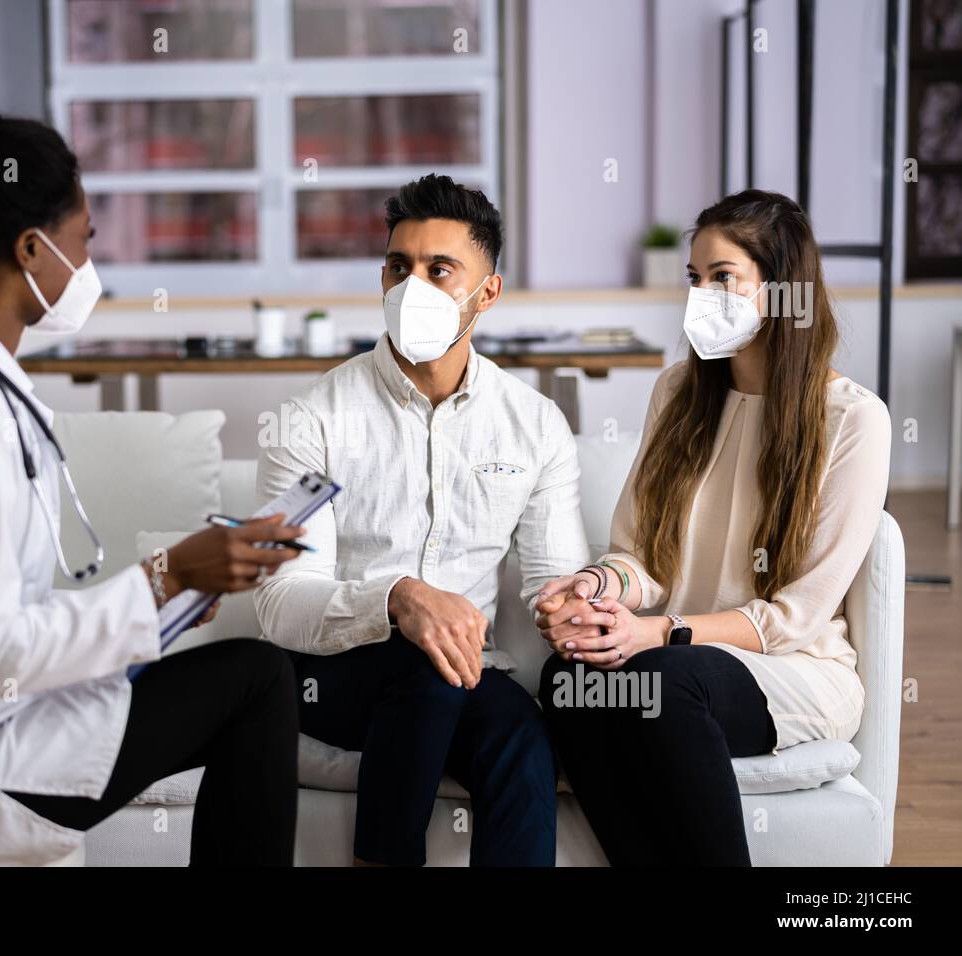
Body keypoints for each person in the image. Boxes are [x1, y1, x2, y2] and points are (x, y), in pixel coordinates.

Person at [0, 108, 304, 866]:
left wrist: (174, 588)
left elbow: (6, 626)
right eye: (84, 238)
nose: (88, 260)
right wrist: (167, 574)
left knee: (253, 678)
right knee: (258, 682)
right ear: (30, 249)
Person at [534, 189, 891, 866]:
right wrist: (594, 589)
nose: (702, 295)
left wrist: (659, 632)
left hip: (791, 671)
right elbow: (640, 556)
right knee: (568, 679)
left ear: (784, 291)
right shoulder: (677, 393)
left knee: (666, 681)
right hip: (677, 660)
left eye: (723, 278)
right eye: (694, 279)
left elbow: (797, 615)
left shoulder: (853, 418)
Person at [255, 174, 589, 866]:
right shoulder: (314, 419)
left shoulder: (532, 425)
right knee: (426, 660)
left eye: (440, 270)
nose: (413, 286)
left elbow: (553, 580)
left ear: (486, 292)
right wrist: (399, 600)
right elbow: (279, 604)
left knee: (521, 740)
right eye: (398, 266)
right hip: (334, 675)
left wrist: (577, 607)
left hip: (466, 672)